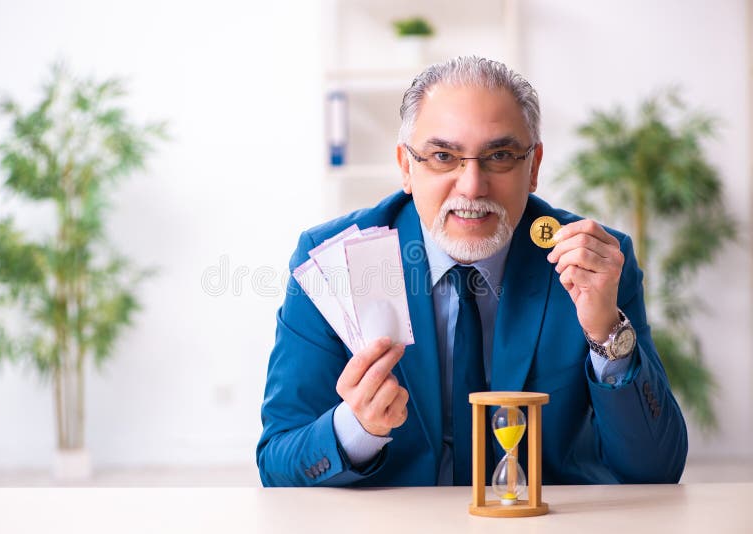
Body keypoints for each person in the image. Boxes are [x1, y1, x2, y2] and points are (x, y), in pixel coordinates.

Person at [256, 56, 688, 487]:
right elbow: (277, 466)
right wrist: (356, 428)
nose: (472, 186)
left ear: (533, 166)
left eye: (499, 155)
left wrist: (605, 333)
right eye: (443, 156)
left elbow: (655, 470)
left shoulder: (595, 263)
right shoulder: (332, 263)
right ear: (407, 167)